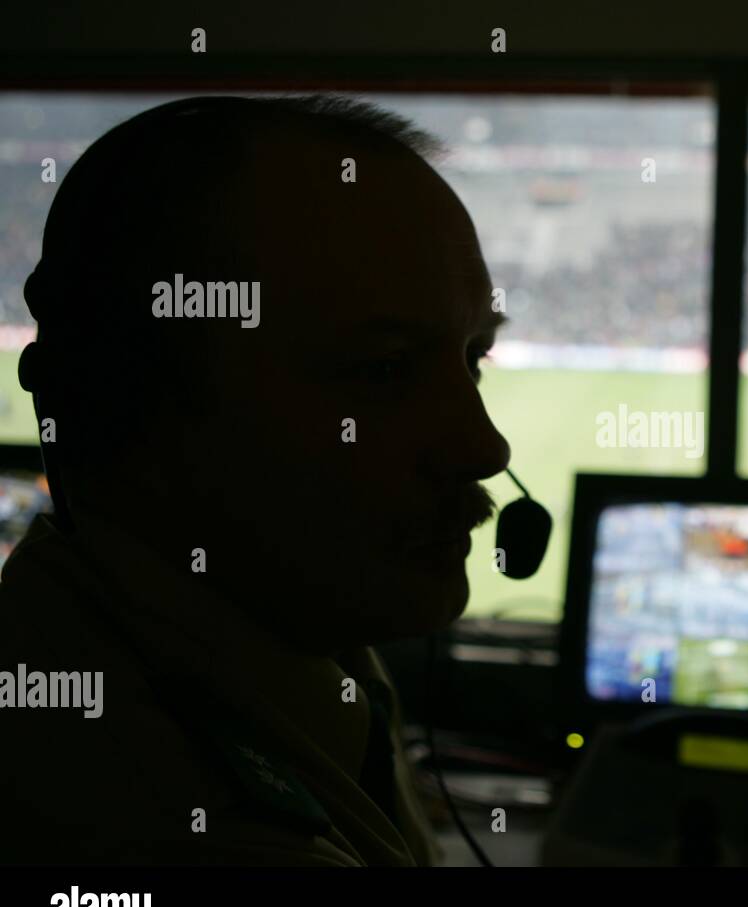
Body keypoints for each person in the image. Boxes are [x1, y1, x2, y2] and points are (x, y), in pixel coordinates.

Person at [0, 95, 511, 864]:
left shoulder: (303, 641)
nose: (484, 446)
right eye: (382, 370)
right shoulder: (168, 821)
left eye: (472, 359)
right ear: (123, 401)